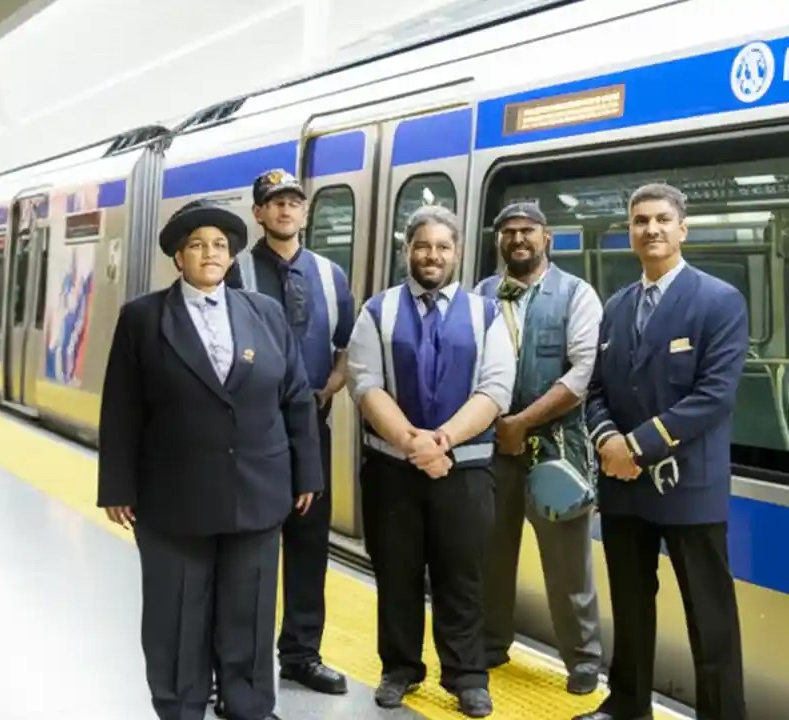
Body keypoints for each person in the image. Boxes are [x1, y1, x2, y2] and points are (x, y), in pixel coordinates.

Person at [97, 199, 324, 720]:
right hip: (172, 501)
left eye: (219, 245)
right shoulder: (143, 318)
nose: (209, 253)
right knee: (177, 615)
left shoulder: (263, 313)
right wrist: (117, 487)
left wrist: (307, 472)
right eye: (197, 244)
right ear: (179, 256)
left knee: (249, 612)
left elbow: (295, 397)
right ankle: (181, 706)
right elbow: (122, 408)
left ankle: (248, 706)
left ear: (232, 256)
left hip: (258, 492)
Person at [576, 183, 749, 720]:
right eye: (640, 221)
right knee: (629, 603)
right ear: (630, 231)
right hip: (623, 484)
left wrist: (637, 446)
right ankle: (627, 704)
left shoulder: (718, 301)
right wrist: (607, 440)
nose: (650, 229)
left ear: (682, 228)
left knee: (709, 613)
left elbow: (714, 397)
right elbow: (597, 389)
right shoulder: (617, 306)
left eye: (661, 220)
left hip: (688, 485)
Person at [345, 205, 516, 718]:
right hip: (392, 473)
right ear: (408, 252)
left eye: (442, 247)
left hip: (463, 472)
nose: (432, 255)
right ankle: (399, 668)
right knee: (396, 573)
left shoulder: (487, 313)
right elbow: (364, 383)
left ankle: (466, 676)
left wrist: (438, 442)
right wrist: (409, 443)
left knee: (462, 576)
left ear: (457, 253)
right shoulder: (378, 311)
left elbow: (496, 389)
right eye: (422, 246)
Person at [223, 168, 354, 696]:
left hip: (310, 432)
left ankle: (301, 654)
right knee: (246, 550)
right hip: (251, 437)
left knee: (308, 545)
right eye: (273, 203)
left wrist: (327, 391)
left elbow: (347, 349)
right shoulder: (235, 273)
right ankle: (236, 663)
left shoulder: (330, 275)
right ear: (258, 213)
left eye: (293, 201)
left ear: (304, 212)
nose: (284, 210)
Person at [474, 202, 604, 694]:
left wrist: (522, 423)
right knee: (490, 551)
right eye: (507, 232)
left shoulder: (577, 294)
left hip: (557, 450)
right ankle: (490, 643)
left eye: (526, 230)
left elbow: (583, 372)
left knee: (568, 564)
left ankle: (584, 660)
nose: (517, 239)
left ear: (546, 237)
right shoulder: (482, 295)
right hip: (491, 445)